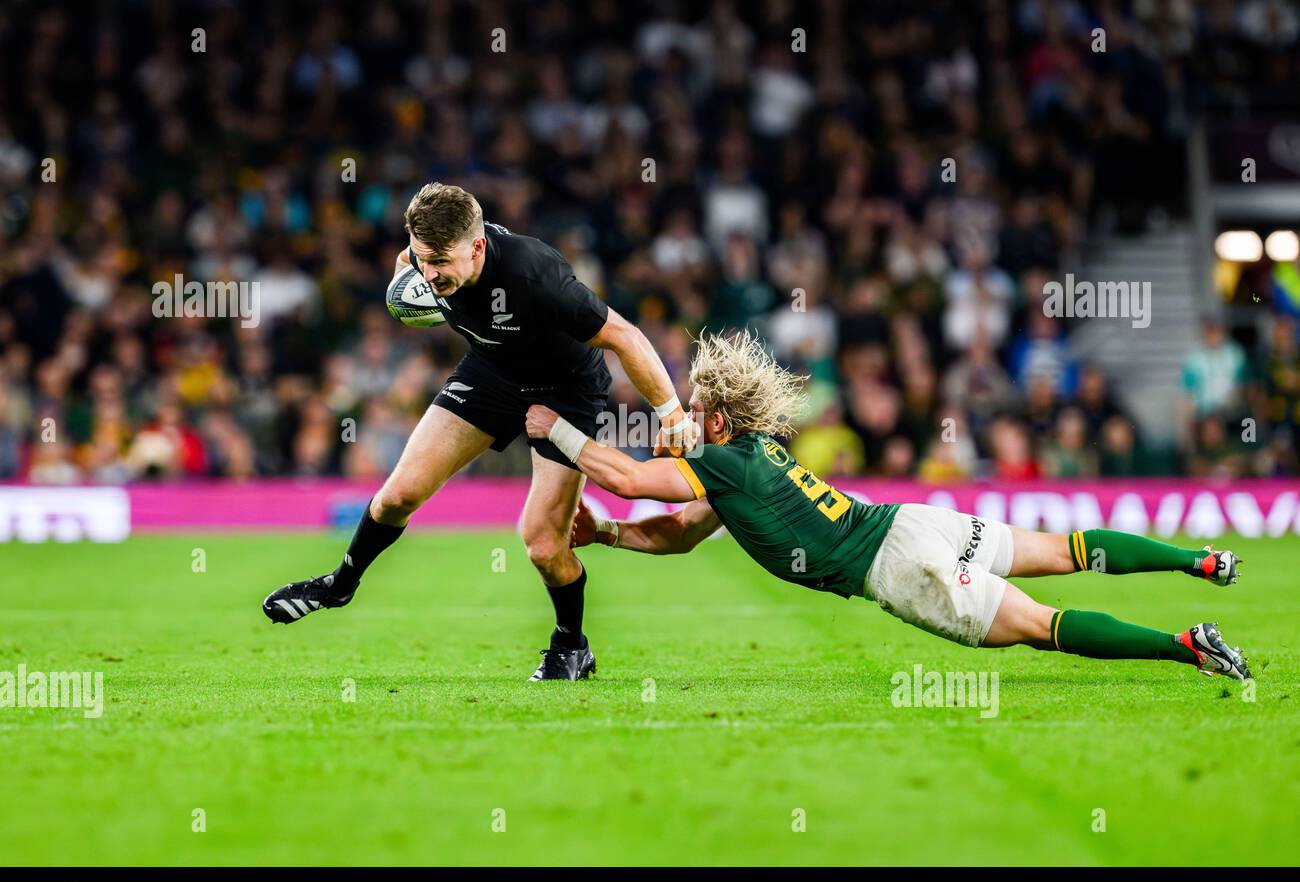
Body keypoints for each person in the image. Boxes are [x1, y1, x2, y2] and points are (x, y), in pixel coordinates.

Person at [524, 332, 1251, 680]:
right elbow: (681, 534)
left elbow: (625, 476)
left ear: (716, 420)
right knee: (1068, 552)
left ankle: (1186, 646)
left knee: (1043, 626)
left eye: (690, 407)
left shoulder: (719, 462)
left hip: (900, 566)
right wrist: (608, 536)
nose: (680, 416)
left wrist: (556, 429)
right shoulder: (747, 462)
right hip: (912, 519)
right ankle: (1200, 560)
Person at [262, 183, 698, 681]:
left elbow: (626, 336)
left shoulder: (534, 274)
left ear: (477, 247)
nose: (429, 273)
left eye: (439, 262)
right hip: (492, 373)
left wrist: (672, 416)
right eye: (423, 258)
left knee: (543, 545)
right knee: (397, 495)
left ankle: (571, 645)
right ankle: (339, 584)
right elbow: (406, 267)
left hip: (566, 390)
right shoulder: (424, 258)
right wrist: (411, 287)